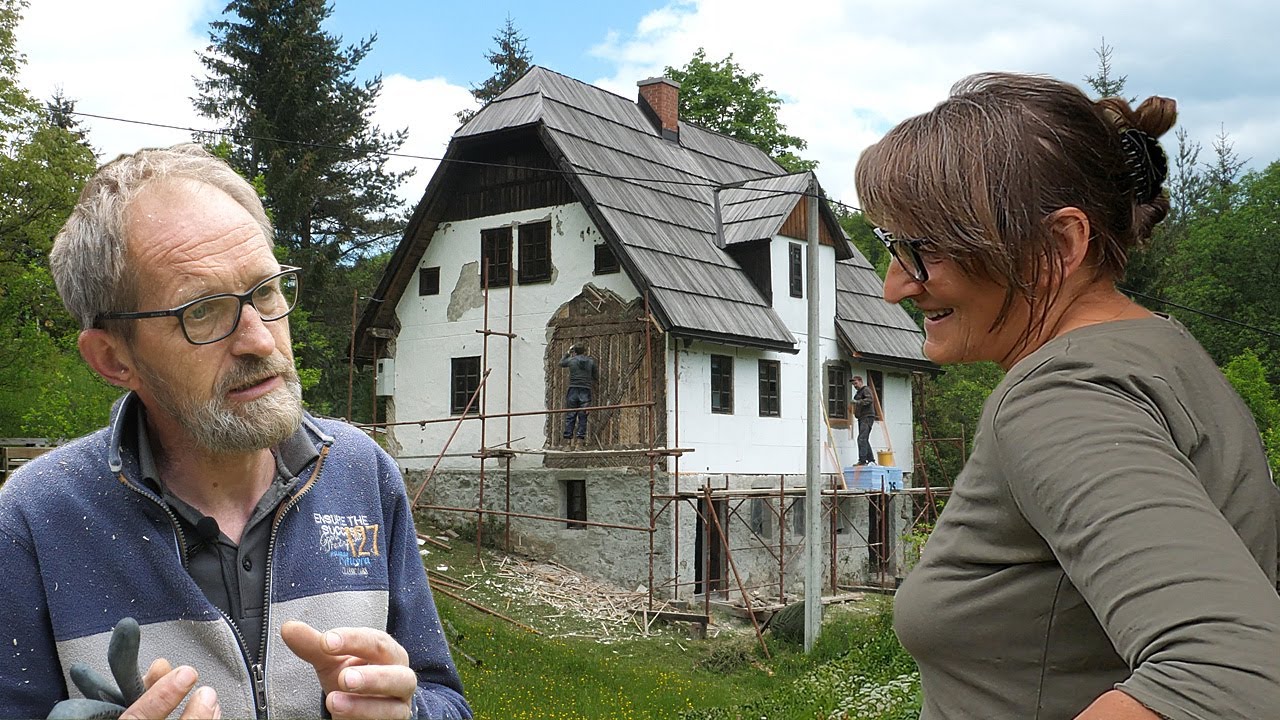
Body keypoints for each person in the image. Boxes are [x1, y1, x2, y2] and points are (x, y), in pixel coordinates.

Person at [856, 73, 1280, 719]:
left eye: (924, 249)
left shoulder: (1061, 396)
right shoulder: (1160, 354)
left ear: (1058, 245)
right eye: (895, 247)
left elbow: (1229, 674)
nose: (896, 286)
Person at [0, 144, 472, 719]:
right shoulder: (33, 520)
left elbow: (446, 700)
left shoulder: (360, 472)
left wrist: (409, 712)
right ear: (114, 359)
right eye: (201, 311)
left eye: (266, 291)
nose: (261, 339)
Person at [558, 343, 598, 445]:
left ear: (574, 351)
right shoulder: (591, 362)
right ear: (584, 351)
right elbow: (595, 376)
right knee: (583, 415)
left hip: (573, 389)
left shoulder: (571, 360)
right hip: (585, 390)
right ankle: (580, 442)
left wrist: (568, 352)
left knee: (570, 414)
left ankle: (567, 442)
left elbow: (561, 363)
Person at [851, 376, 876, 465]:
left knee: (861, 439)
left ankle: (862, 461)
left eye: (856, 383)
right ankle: (871, 460)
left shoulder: (866, 389)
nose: (855, 385)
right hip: (861, 418)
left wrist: (858, 402)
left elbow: (869, 400)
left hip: (867, 417)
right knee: (864, 439)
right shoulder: (858, 393)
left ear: (861, 382)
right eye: (853, 384)